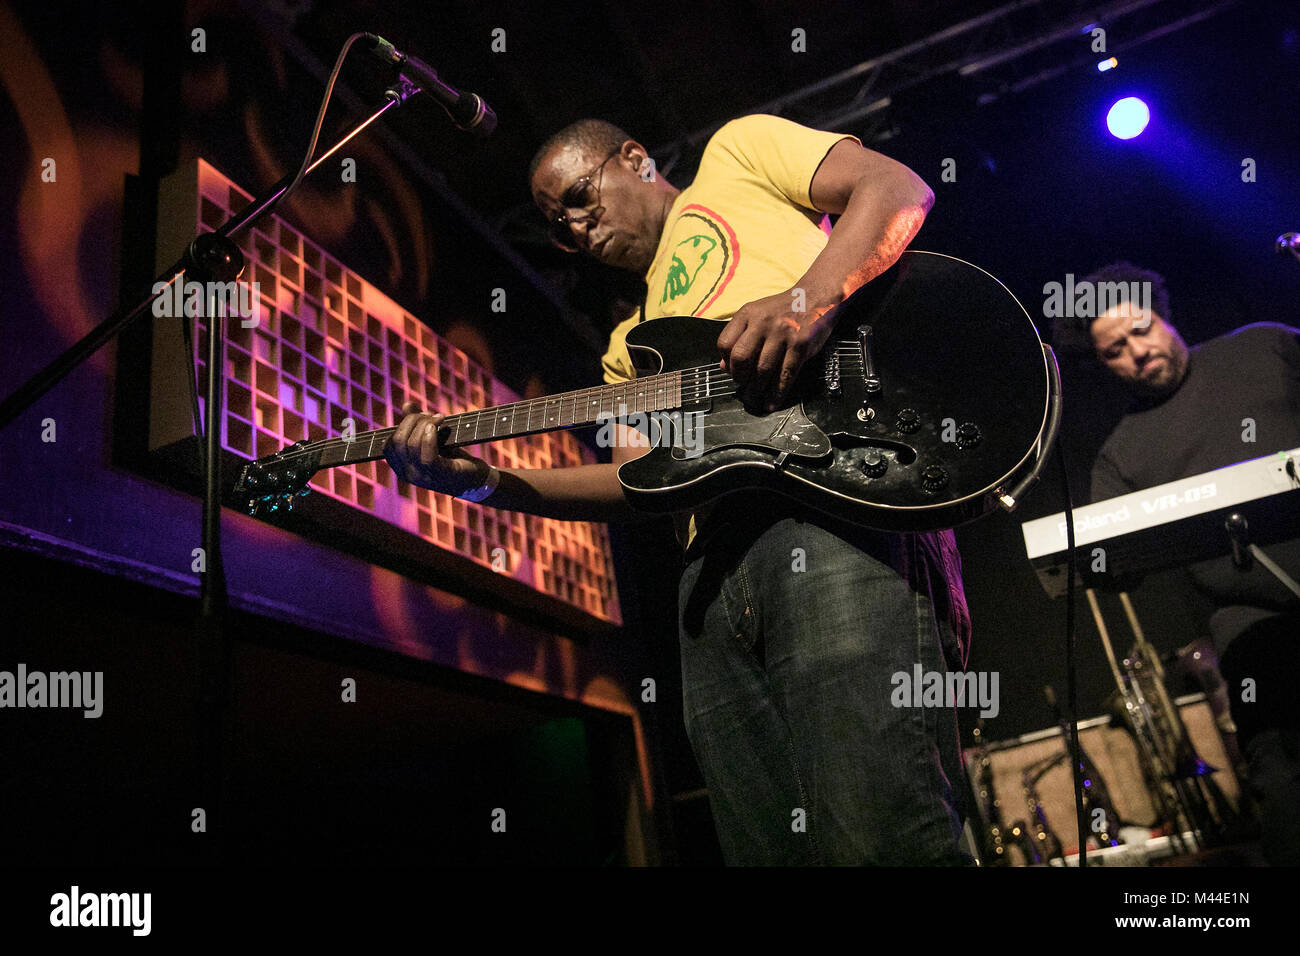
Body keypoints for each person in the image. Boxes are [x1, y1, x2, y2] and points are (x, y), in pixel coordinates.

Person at [385, 114, 975, 865]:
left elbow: (897, 187)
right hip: (711, 584)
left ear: (634, 159)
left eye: (577, 198)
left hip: (832, 508)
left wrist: (807, 302)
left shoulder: (735, 154)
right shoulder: (626, 344)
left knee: (886, 834)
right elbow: (637, 483)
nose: (573, 229)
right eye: (557, 227)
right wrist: (487, 486)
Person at [1056, 261, 1300, 865]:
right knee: (1284, 781)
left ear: (1163, 314)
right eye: (1115, 350)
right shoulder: (1122, 454)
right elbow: (1106, 559)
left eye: (1141, 329)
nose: (1137, 352)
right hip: (1253, 626)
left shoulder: (1265, 347)